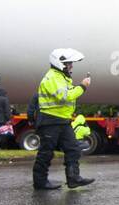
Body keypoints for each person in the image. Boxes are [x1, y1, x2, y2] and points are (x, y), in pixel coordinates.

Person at [33, 48, 95, 190]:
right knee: (46, 152)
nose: (71, 66)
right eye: (69, 63)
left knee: (73, 149)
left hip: (63, 121)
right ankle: (40, 182)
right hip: (50, 121)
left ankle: (73, 179)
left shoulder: (61, 77)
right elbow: (65, 96)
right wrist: (83, 86)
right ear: (60, 63)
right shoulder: (52, 77)